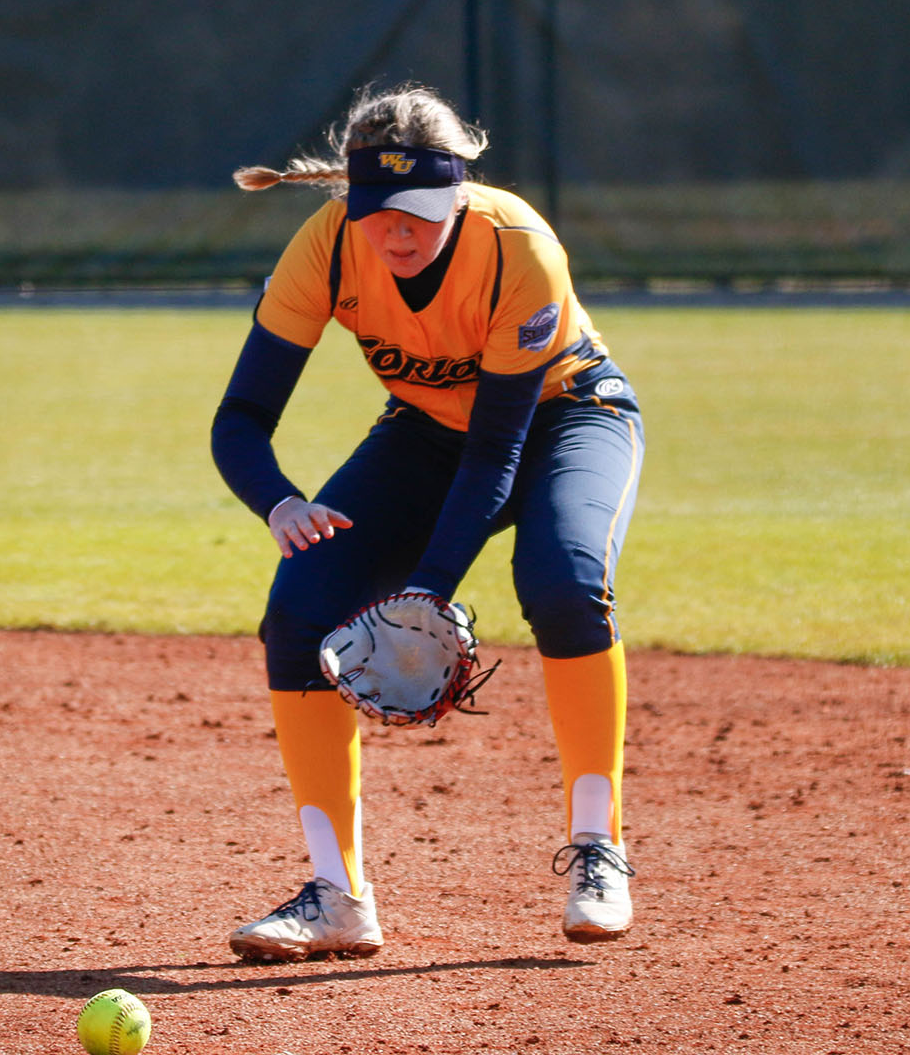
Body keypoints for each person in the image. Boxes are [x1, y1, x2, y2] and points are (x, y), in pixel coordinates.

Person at [210, 83, 645, 962]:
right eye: (377, 212)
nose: (396, 233)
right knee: (300, 610)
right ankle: (337, 896)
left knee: (561, 585)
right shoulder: (330, 246)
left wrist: (426, 594)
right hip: (427, 428)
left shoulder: (518, 247)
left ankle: (598, 850)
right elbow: (241, 418)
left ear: (456, 193)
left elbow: (497, 454)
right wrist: (281, 502)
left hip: (568, 416)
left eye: (417, 211)